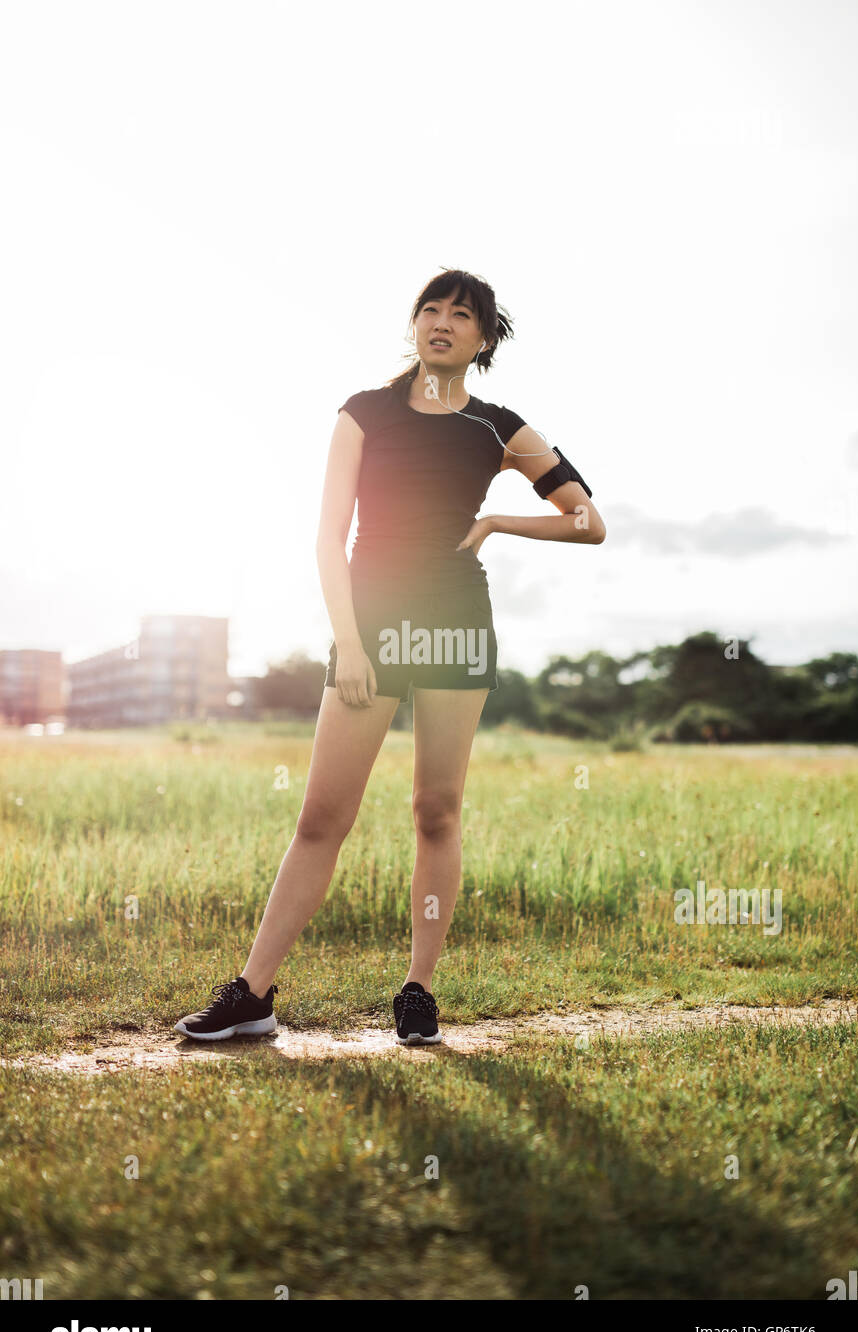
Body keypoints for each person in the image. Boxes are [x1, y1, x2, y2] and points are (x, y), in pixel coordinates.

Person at [174, 267, 606, 1046]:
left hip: (455, 625)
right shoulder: (364, 413)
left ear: (484, 338)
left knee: (435, 811)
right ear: (414, 324)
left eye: (462, 314)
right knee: (321, 818)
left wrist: (499, 524)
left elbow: (588, 521)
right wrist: (348, 639)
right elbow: (327, 535)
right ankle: (253, 994)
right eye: (431, 308)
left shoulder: (499, 426)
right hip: (372, 623)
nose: (442, 321)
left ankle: (417, 992)